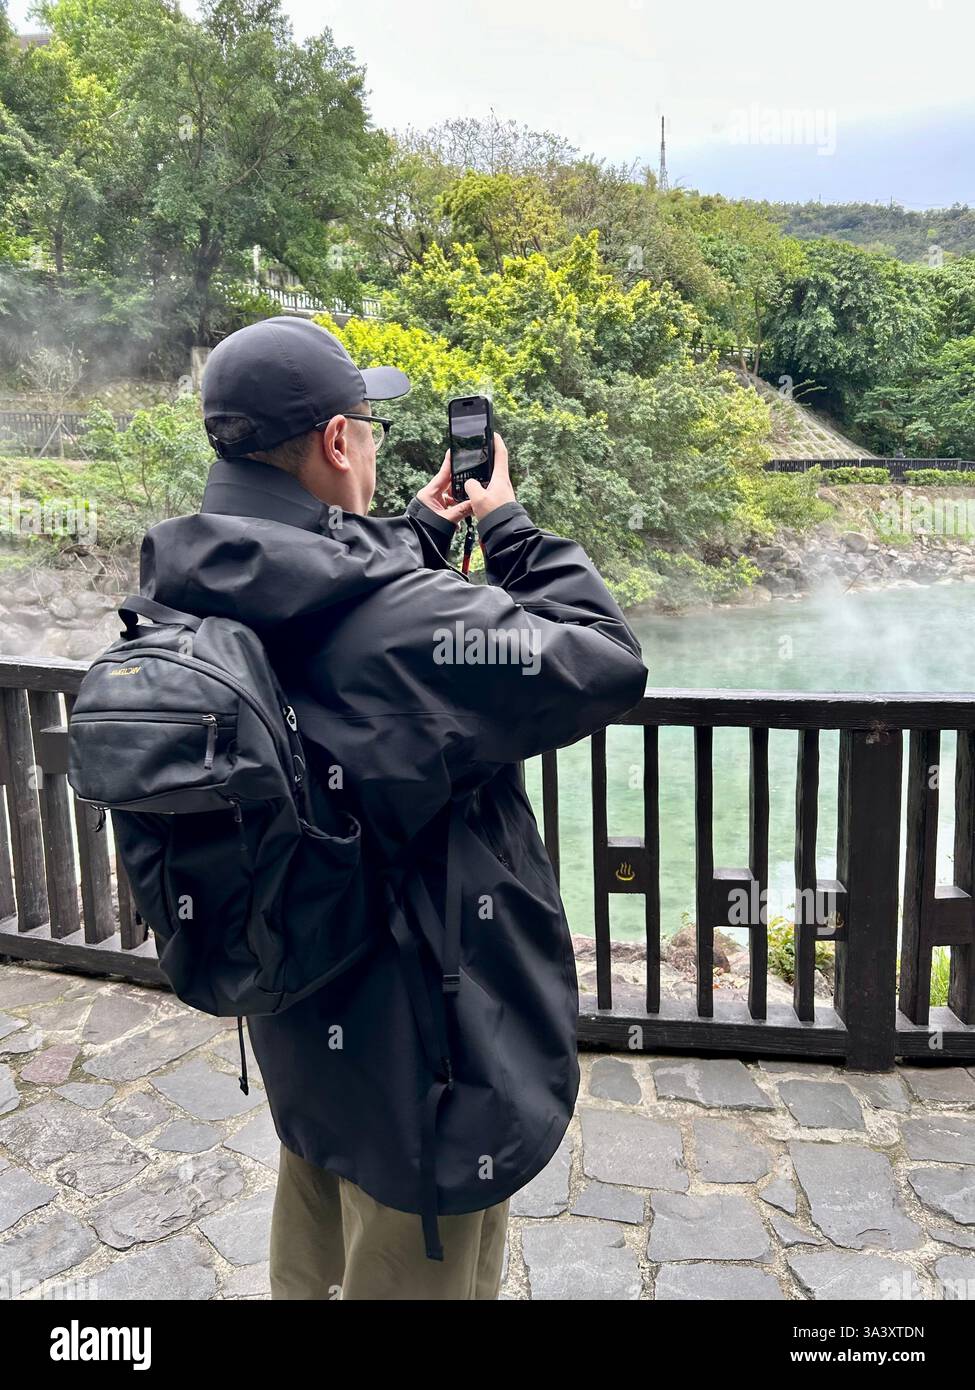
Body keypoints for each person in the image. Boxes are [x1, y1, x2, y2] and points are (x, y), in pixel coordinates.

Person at [139, 315, 648, 1300]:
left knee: (310, 1252)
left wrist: (411, 529)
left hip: (301, 1017)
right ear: (337, 442)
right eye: (366, 423)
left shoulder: (188, 592)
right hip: (428, 1064)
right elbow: (602, 658)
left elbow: (326, 601)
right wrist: (505, 527)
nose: (373, 440)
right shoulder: (416, 628)